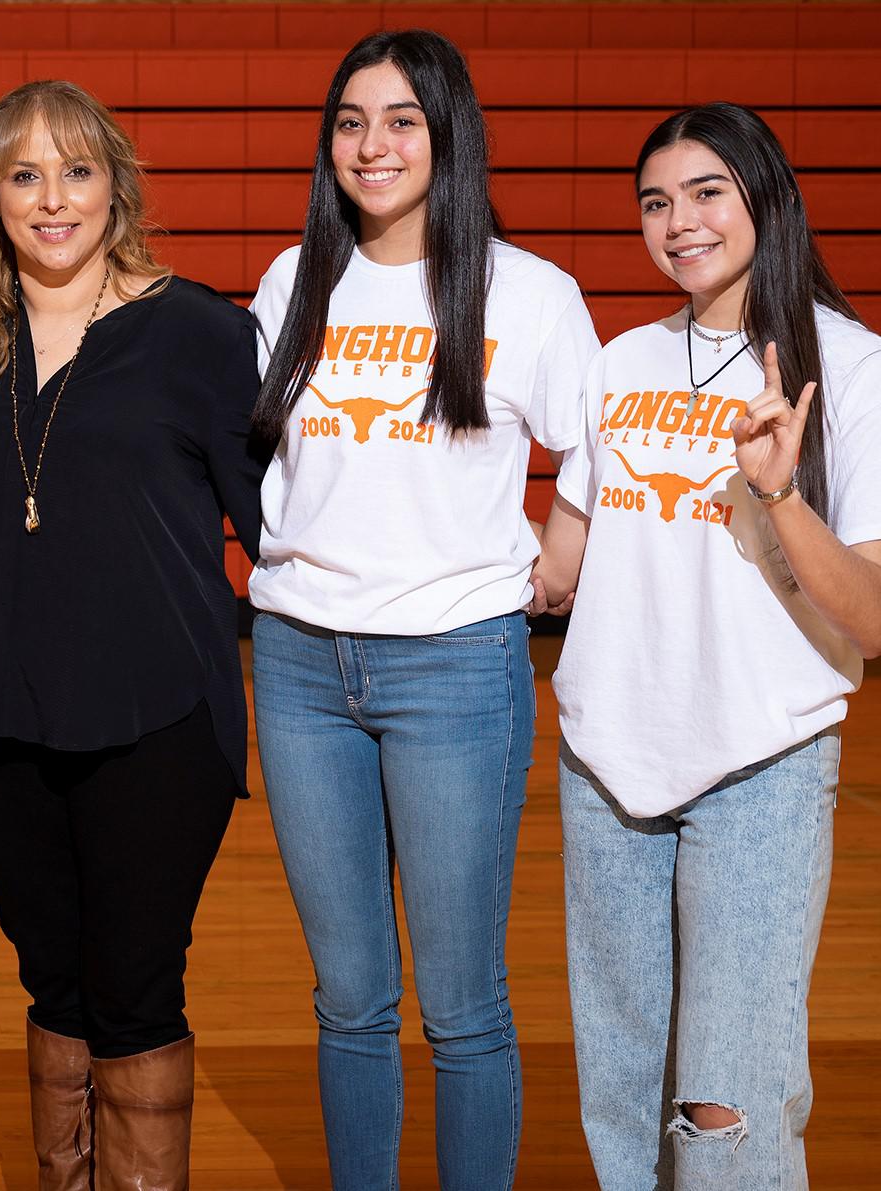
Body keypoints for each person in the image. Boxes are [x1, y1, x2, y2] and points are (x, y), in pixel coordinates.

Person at [245, 29, 600, 1189]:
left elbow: (592, 459)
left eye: (400, 119)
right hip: (298, 668)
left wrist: (551, 567)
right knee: (346, 1000)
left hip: (454, 670)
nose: (371, 144)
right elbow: (258, 464)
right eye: (349, 121)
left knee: (460, 1006)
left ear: (447, 134)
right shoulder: (294, 282)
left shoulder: (530, 292)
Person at [0, 80, 264, 1189]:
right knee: (51, 981)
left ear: (117, 185)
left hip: (154, 719)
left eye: (75, 171)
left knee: (133, 987)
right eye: (23, 175)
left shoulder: (205, 330)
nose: (51, 199)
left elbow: (273, 522)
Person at [535, 102, 881, 1191]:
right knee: (624, 1093)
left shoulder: (849, 367)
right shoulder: (622, 358)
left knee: (722, 1102)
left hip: (757, 768)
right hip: (605, 766)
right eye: (653, 200)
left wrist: (776, 493)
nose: (675, 221)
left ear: (765, 199)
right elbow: (561, 564)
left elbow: (868, 616)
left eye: (704, 192)